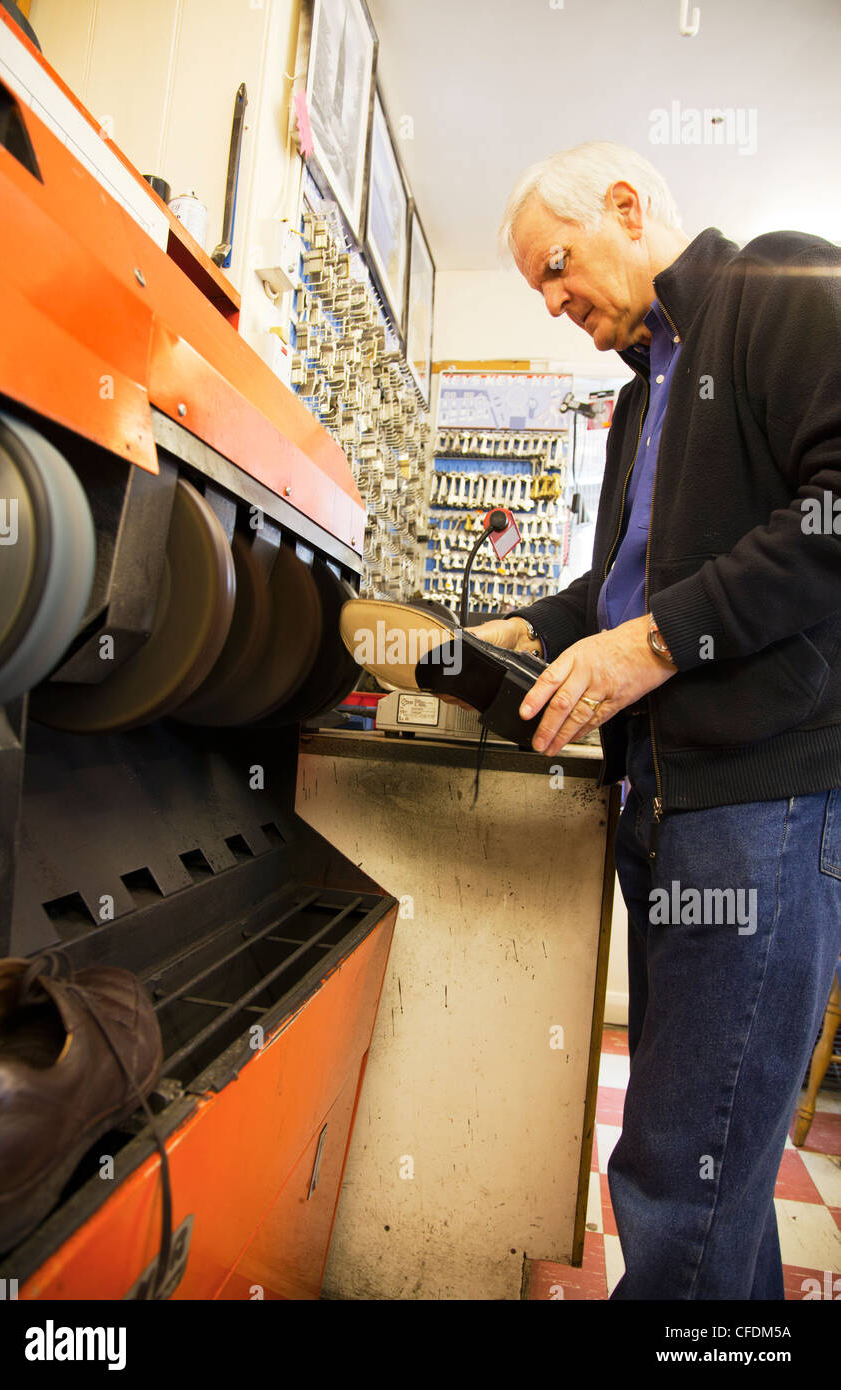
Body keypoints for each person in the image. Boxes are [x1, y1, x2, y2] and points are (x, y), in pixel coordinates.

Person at [471, 141, 841, 1299]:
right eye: (535, 282)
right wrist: (516, 632)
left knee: (677, 1169)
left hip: (759, 805)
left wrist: (655, 642)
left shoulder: (776, 287)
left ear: (626, 209)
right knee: (719, 1159)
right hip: (664, 805)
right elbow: (622, 588)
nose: (549, 297)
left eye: (556, 263)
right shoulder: (642, 398)